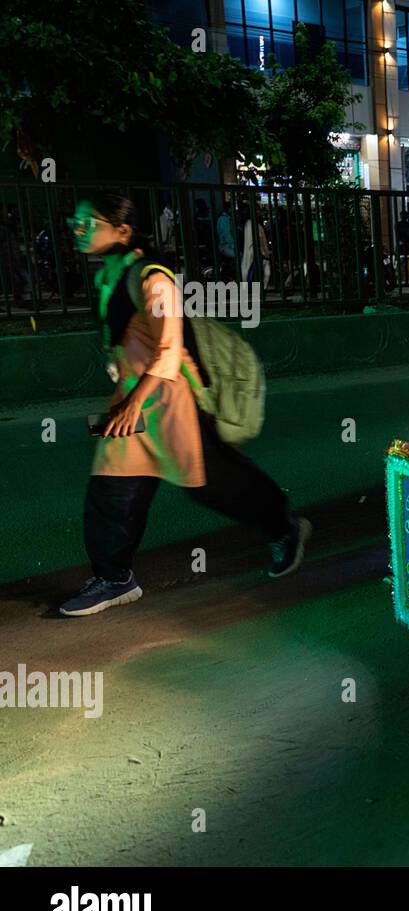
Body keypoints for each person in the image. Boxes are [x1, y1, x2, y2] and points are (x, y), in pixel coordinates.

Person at [58, 192, 309, 617]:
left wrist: (136, 401)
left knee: (213, 484)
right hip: (133, 404)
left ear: (121, 230)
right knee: (112, 488)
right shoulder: (109, 276)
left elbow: (170, 351)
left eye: (89, 224)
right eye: (76, 223)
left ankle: (283, 527)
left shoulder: (152, 278)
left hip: (171, 401)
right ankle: (114, 577)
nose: (79, 231)